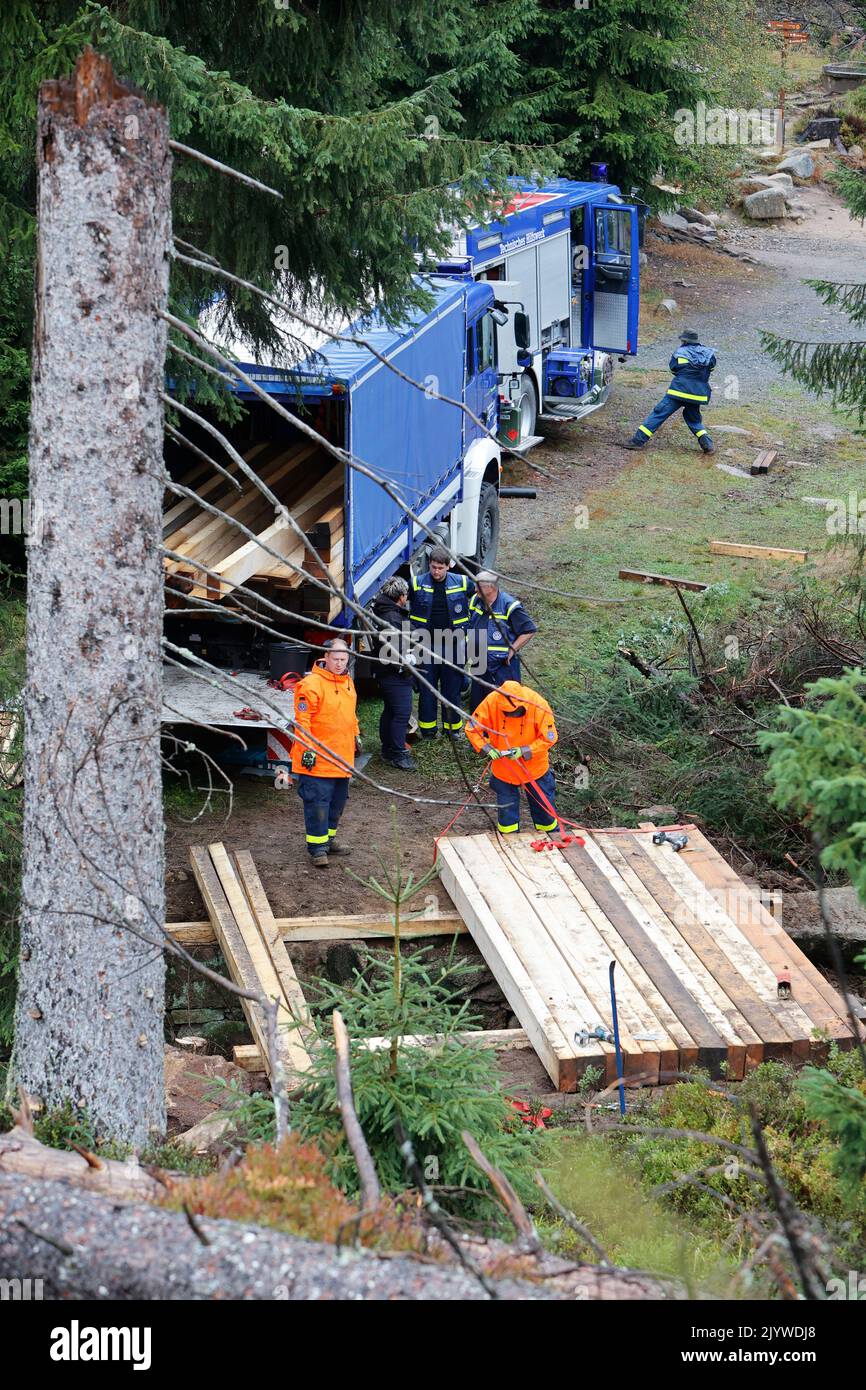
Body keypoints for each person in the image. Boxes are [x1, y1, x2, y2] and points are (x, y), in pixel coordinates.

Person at [290, 638, 361, 867]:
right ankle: (317, 849)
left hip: (342, 759)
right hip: (318, 760)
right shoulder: (311, 684)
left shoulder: (348, 682)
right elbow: (302, 722)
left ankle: (329, 841)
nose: (340, 664)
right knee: (317, 804)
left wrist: (356, 736)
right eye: (336, 659)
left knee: (337, 803)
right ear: (326, 657)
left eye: (343, 659)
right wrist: (308, 750)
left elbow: (350, 715)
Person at [465, 680, 559, 836]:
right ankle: (509, 842)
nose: (510, 715)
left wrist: (526, 750)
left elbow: (549, 737)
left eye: (513, 712)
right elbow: (472, 728)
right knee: (507, 814)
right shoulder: (492, 701)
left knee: (545, 812)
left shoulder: (537, 704)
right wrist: (486, 748)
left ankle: (551, 838)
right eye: (506, 712)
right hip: (505, 769)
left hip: (534, 768)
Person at [409, 543, 470, 738]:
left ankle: (452, 730)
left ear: (449, 566)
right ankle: (428, 731)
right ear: (430, 565)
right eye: (433, 567)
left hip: (453, 645)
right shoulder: (417, 583)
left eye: (440, 568)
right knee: (427, 689)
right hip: (426, 645)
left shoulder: (462, 582)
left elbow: (482, 596)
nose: (436, 571)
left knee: (451, 688)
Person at [625, 330, 716, 453]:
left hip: (679, 391)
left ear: (684, 341)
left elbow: (674, 369)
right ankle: (708, 445)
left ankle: (637, 441)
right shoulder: (709, 354)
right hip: (698, 394)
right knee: (693, 419)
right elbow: (711, 368)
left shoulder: (680, 352)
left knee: (659, 413)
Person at [468, 570, 537, 711]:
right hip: (479, 662)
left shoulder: (509, 606)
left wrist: (512, 650)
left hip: (502, 667)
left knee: (504, 705)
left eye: (478, 586)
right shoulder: (476, 600)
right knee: (478, 706)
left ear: (491, 587)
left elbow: (529, 630)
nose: (475, 589)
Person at [369, 576, 417, 771]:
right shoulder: (393, 619)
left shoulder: (384, 611)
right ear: (401, 597)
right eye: (405, 595)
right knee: (401, 713)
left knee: (390, 710)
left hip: (384, 671)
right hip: (394, 673)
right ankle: (398, 753)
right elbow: (395, 649)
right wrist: (409, 659)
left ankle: (388, 748)